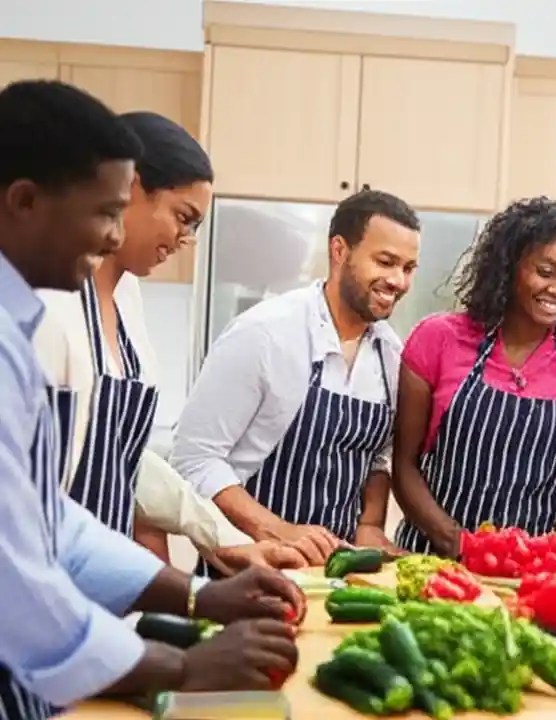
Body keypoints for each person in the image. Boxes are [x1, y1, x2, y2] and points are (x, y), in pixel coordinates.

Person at [0, 79, 302, 719]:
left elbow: (50, 520)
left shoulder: (20, 325)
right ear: (24, 202)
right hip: (40, 633)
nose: (112, 238)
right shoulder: (26, 334)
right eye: (103, 213)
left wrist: (197, 595)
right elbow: (13, 583)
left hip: (58, 634)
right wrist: (184, 665)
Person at [31, 110, 305, 574]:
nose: (187, 239)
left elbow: (123, 459)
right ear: (130, 187)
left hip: (103, 580)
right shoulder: (42, 297)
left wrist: (224, 539)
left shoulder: (129, 300)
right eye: (184, 217)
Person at [170, 189, 420, 571]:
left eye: (408, 268)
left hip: (335, 574)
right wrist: (276, 529)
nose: (398, 280)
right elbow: (194, 458)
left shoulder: (390, 353)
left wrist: (369, 523)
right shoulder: (264, 334)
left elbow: (376, 458)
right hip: (247, 569)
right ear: (339, 251)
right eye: (385, 262)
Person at [391, 197, 556, 556]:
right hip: (434, 561)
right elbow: (403, 466)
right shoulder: (439, 339)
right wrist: (457, 543)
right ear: (509, 267)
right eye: (545, 272)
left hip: (534, 569)